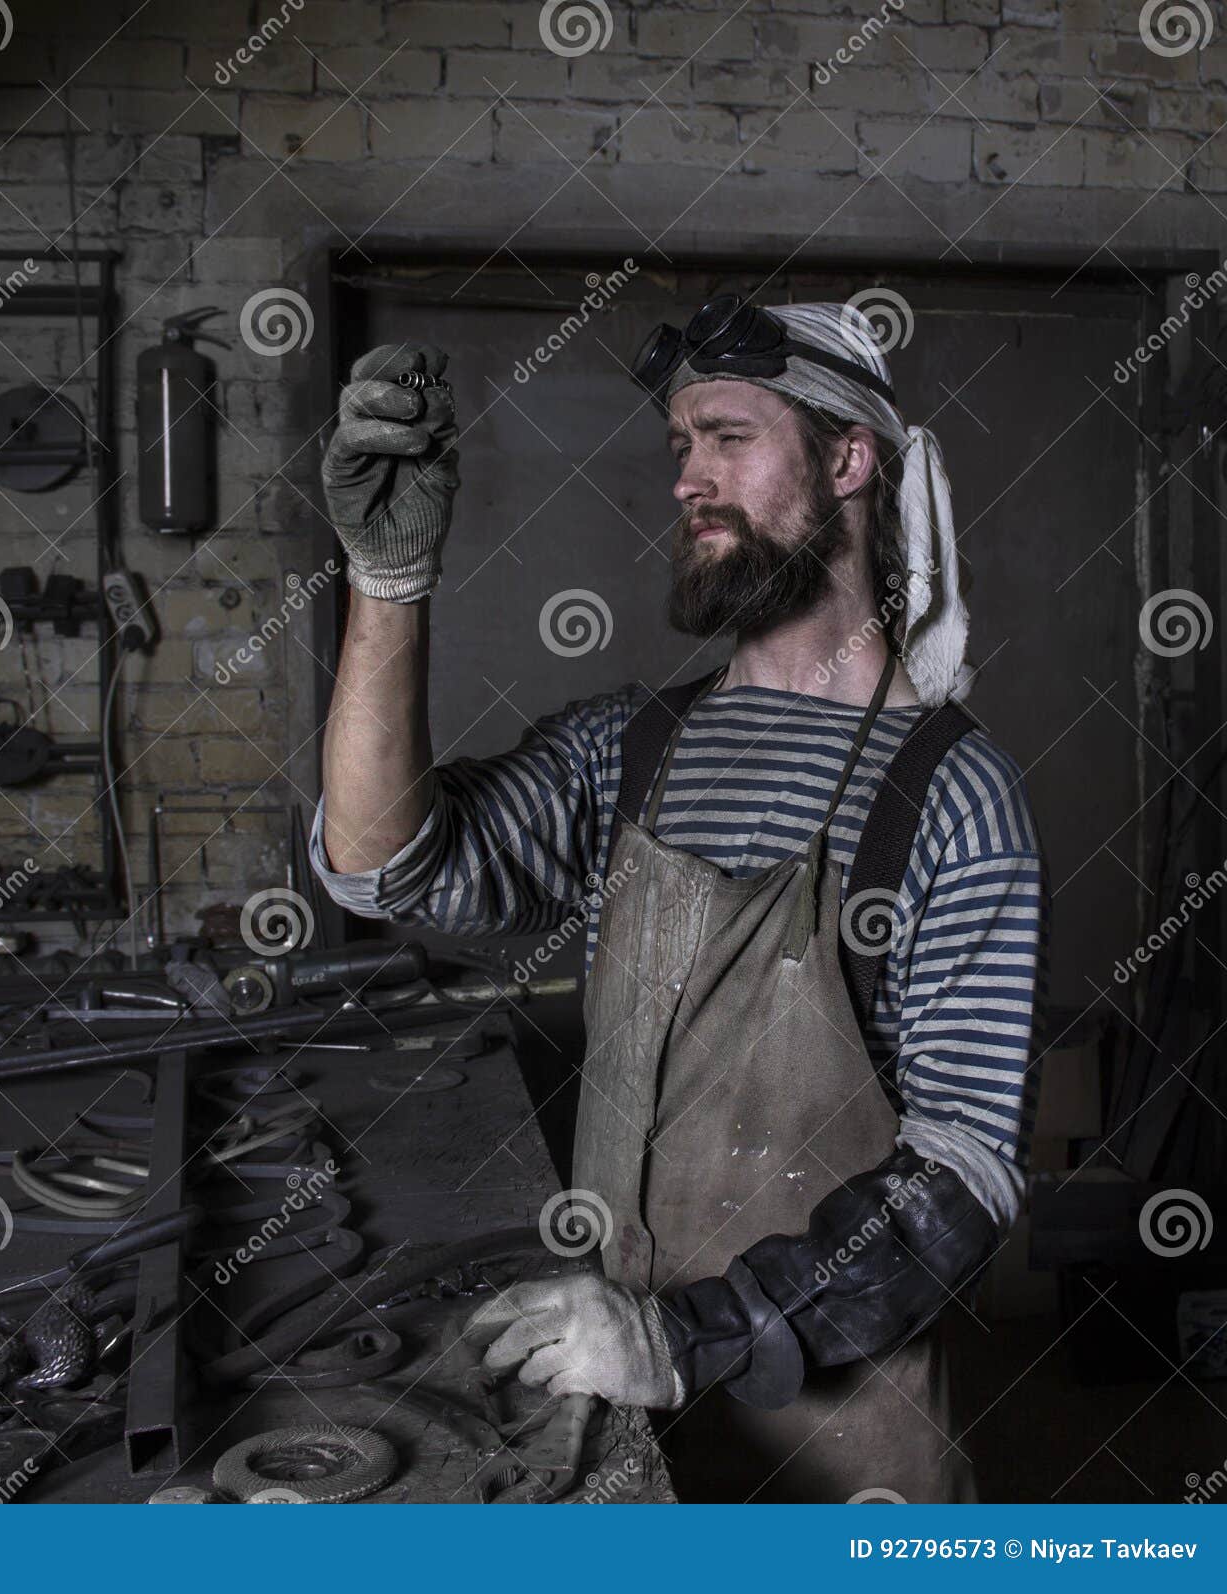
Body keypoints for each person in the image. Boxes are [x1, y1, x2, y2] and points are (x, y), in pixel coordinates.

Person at [307, 298, 1047, 1502]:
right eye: (677, 448)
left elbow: (961, 1178)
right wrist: (387, 581)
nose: (687, 480)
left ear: (849, 459)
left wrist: (685, 1336)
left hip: (835, 1464)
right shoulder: (632, 748)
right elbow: (384, 861)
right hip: (613, 1441)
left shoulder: (953, 794)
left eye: (728, 438)